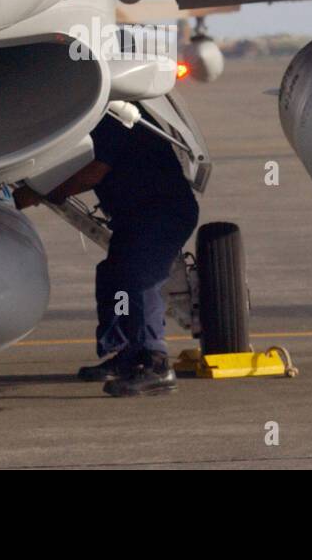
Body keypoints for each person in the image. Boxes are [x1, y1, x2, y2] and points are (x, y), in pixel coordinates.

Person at [14, 112, 199, 396]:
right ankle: (128, 354)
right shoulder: (93, 113)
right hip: (135, 215)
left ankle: (156, 364)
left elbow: (95, 170)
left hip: (162, 211)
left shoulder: (112, 115)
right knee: (114, 277)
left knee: (140, 278)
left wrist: (45, 192)